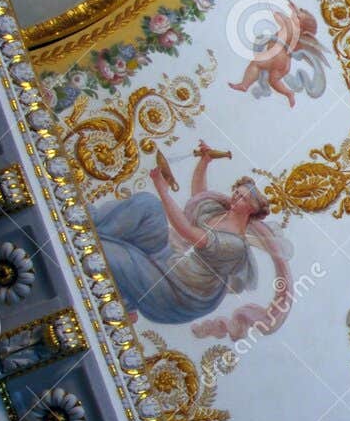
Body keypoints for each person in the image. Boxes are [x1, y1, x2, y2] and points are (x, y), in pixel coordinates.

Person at [93, 143, 294, 341]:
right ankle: (93, 228)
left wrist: (163, 191)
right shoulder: (220, 213)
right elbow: (200, 197)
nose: (234, 197)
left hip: (179, 292)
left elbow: (186, 231)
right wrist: (204, 161)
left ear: (251, 208)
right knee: (148, 204)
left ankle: (96, 248)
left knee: (108, 252)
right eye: (236, 192)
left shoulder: (235, 245)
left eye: (241, 197)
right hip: (171, 262)